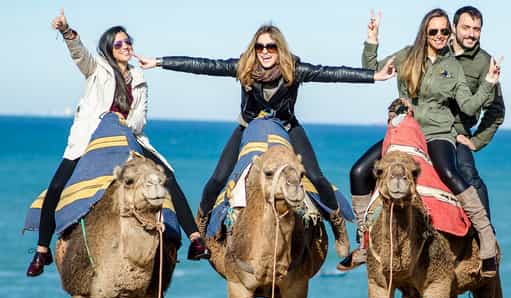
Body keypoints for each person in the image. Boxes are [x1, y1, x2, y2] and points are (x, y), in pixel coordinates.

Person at [138, 25, 396, 258]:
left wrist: (375, 76)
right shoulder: (243, 68)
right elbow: (204, 65)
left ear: (279, 48)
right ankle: (203, 228)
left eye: (270, 46)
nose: (264, 51)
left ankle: (337, 223)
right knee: (217, 179)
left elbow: (333, 73)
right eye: (260, 46)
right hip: (249, 125)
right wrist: (159, 62)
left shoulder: (294, 69)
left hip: (286, 125)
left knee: (316, 177)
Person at [27, 10, 208, 278]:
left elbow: (140, 120)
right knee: (56, 186)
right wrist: (67, 32)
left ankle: (195, 239)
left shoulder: (140, 78)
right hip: (91, 136)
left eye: (128, 42)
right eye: (119, 44)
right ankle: (42, 250)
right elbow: (79, 54)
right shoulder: (96, 69)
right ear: (109, 50)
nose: (125, 47)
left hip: (127, 137)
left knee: (167, 178)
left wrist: (124, 126)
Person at [341, 8, 501, 276]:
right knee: (358, 172)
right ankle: (365, 240)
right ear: (424, 33)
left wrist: (488, 83)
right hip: (406, 130)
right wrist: (372, 39)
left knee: (450, 172)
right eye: (434, 31)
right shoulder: (406, 56)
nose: (440, 36)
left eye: (444, 32)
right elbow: (372, 70)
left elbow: (470, 106)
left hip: (438, 133)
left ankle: (486, 238)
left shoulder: (452, 67)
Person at [450, 6, 505, 219]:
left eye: (476, 29)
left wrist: (476, 142)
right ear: (454, 27)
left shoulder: (484, 62)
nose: (471, 34)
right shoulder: (436, 51)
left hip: (457, 136)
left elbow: (496, 109)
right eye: (466, 28)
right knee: (379, 170)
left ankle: (486, 240)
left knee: (470, 177)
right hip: (423, 127)